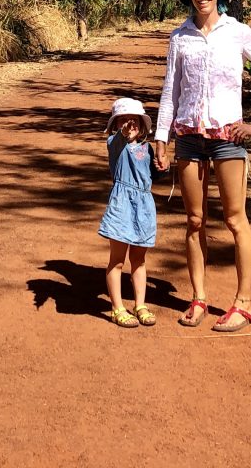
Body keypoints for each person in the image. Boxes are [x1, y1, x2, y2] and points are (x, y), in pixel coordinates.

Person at [153, 0, 251, 333]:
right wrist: (161, 138)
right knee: (194, 220)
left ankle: (242, 304)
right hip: (189, 139)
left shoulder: (238, 32)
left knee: (234, 219)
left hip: (228, 139)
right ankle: (198, 298)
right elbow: (171, 91)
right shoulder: (179, 37)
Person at [98, 96, 159, 328]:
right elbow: (117, 143)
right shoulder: (115, 143)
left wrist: (162, 166)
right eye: (123, 120)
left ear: (143, 125)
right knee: (117, 260)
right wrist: (122, 134)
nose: (130, 125)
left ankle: (140, 304)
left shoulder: (147, 148)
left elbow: (154, 174)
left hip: (144, 206)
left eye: (134, 120)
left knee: (139, 259)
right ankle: (117, 308)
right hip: (122, 205)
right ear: (115, 125)